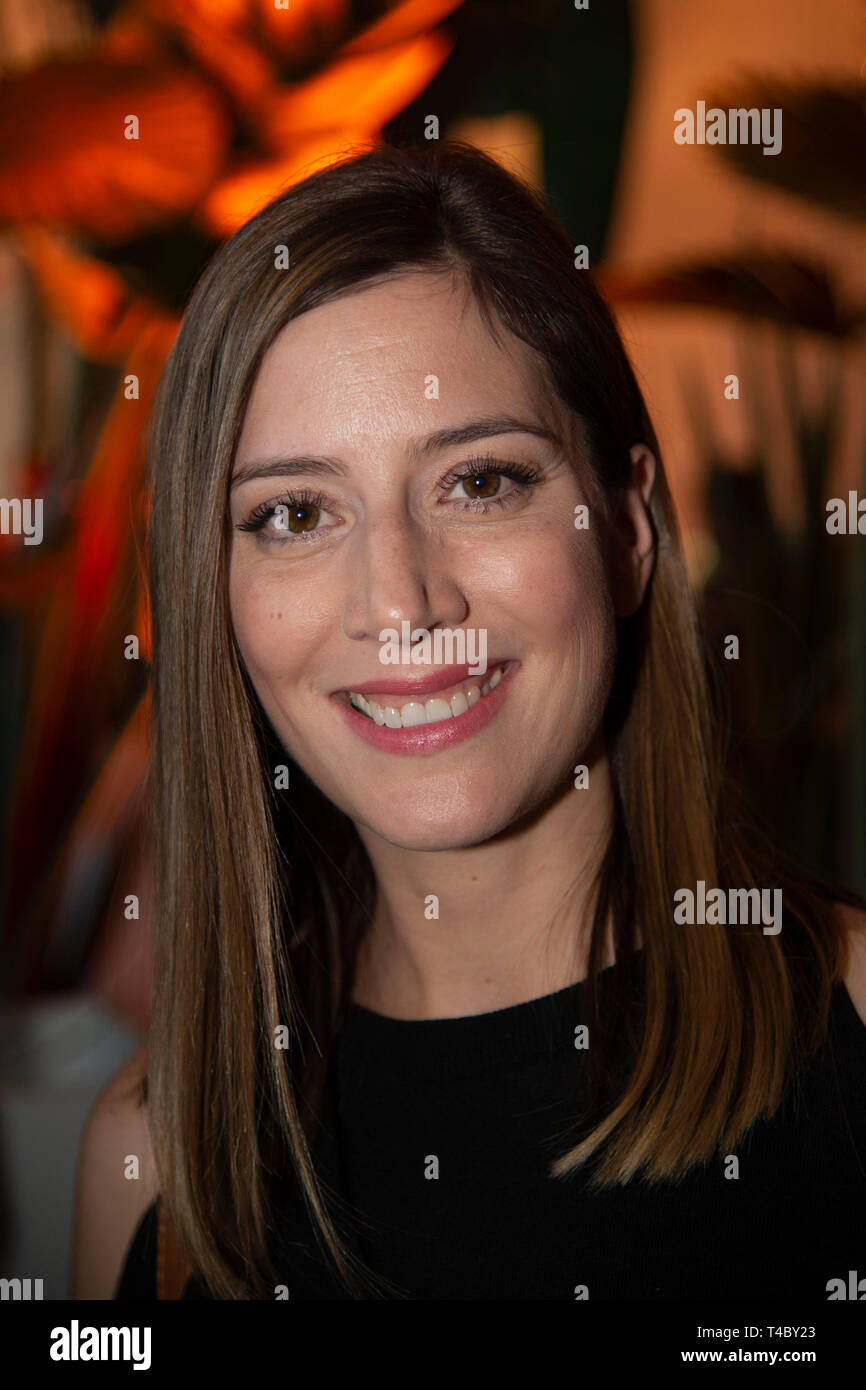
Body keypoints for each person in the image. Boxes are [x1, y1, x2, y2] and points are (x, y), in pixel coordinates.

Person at [71, 140, 866, 1301]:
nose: (400, 601)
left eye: (479, 482)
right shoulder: (154, 1162)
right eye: (294, 511)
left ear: (628, 525)